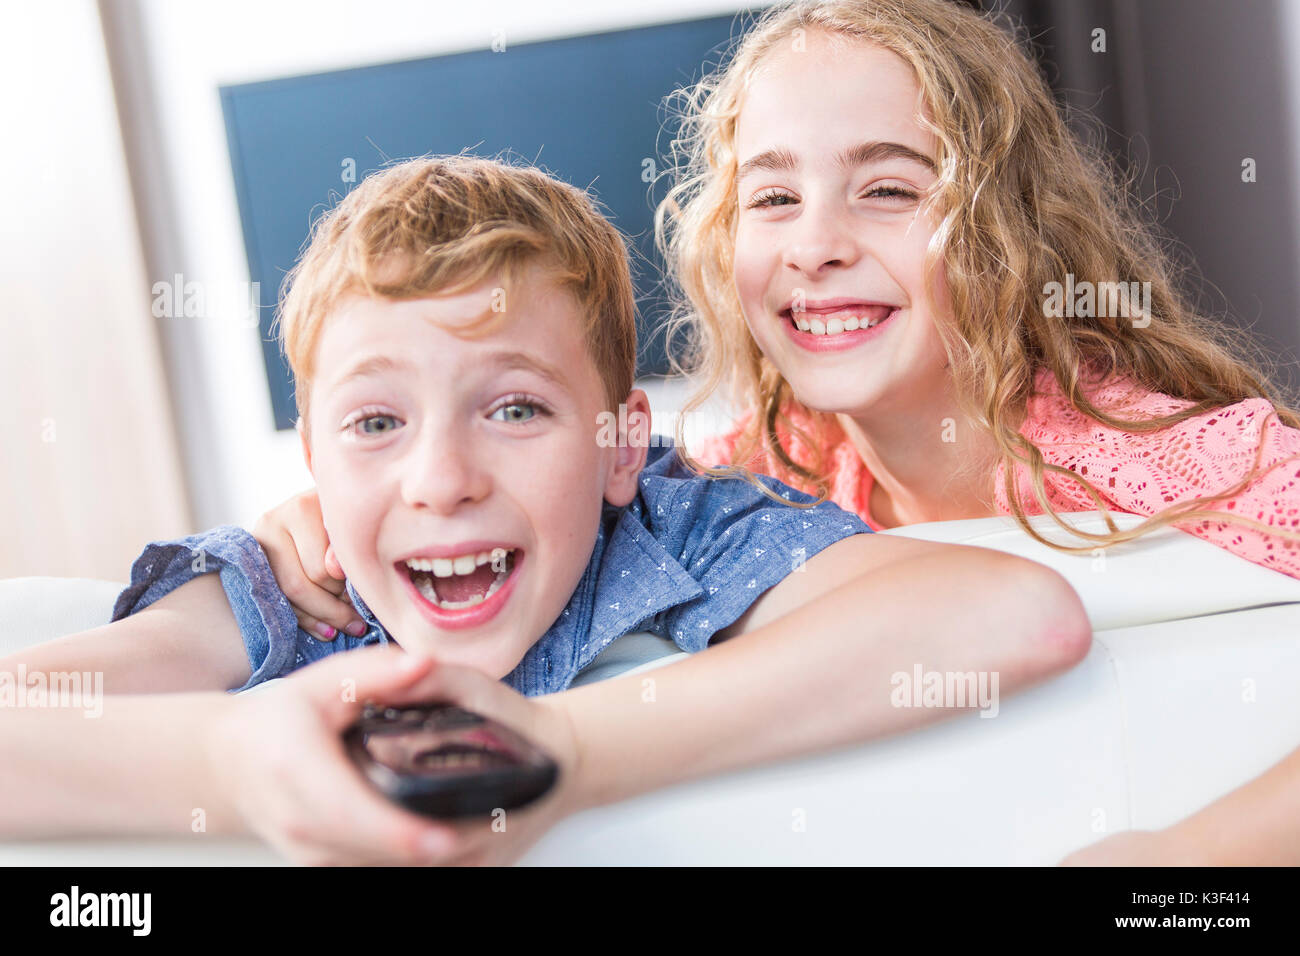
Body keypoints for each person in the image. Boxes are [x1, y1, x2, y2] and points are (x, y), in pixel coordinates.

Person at [262, 0, 1300, 865]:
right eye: (773, 196)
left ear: (1004, 225)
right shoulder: (762, 477)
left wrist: (1178, 865)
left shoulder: (1164, 457)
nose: (815, 244)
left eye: (886, 189)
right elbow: (552, 502)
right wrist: (324, 513)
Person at [0, 154, 1088, 866]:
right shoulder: (290, 587)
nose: (441, 478)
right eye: (375, 424)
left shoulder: (674, 529)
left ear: (619, 444)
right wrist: (234, 758)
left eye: (513, 406)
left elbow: (1017, 617)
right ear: (315, 465)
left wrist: (565, 750)